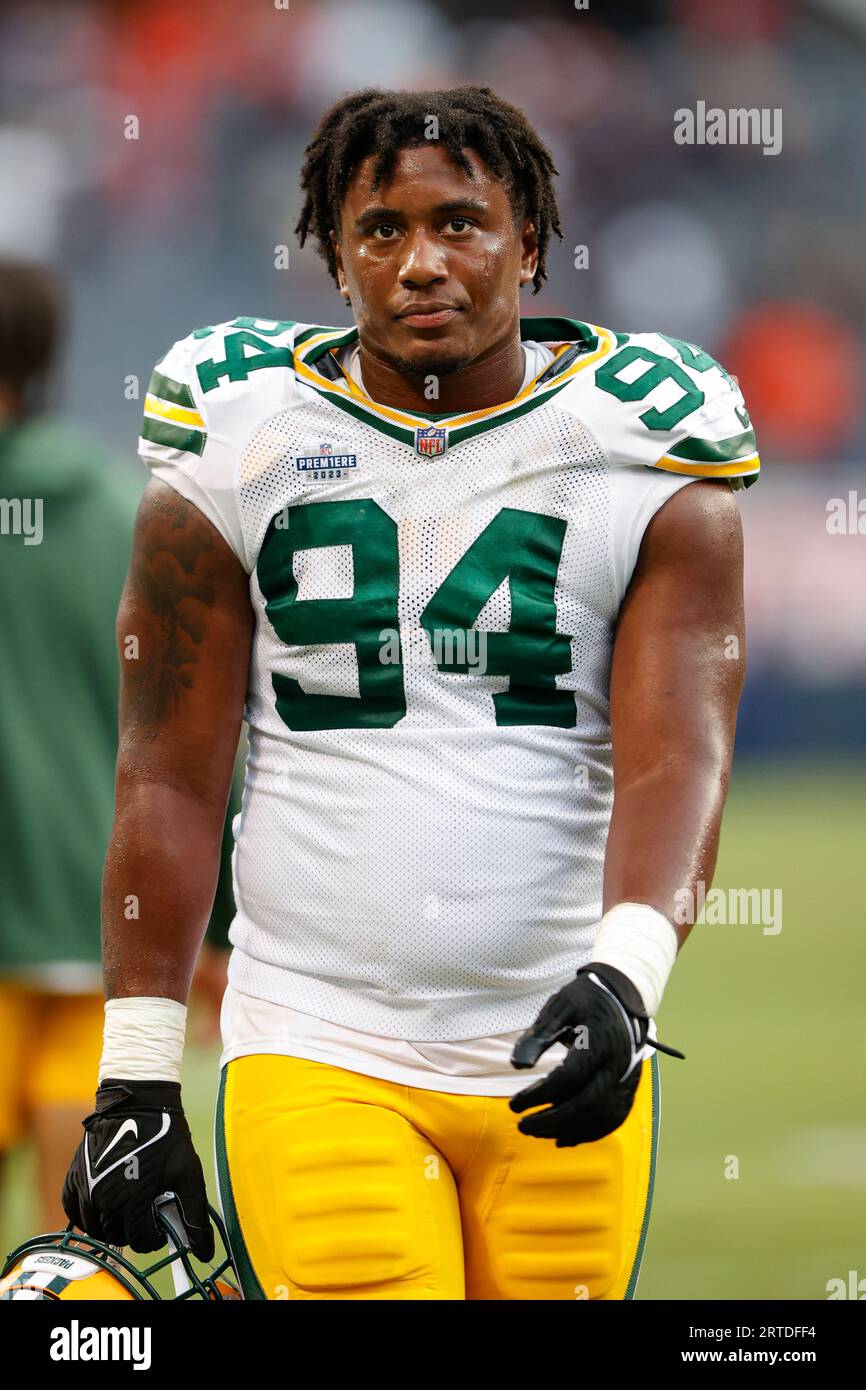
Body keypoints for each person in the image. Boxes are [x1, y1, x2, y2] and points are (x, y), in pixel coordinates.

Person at [62, 86, 759, 1300]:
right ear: (335, 254)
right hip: (315, 1035)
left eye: (461, 223)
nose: (421, 261)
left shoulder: (642, 437)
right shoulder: (239, 431)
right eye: (380, 229)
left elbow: (676, 756)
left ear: (530, 241)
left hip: (557, 1033)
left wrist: (625, 977)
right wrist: (135, 1070)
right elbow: (169, 767)